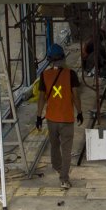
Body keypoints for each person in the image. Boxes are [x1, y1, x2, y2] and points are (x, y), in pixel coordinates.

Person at [36, 44, 83, 188]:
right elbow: (75, 96)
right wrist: (79, 112)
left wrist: (38, 116)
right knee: (66, 149)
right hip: (67, 118)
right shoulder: (71, 74)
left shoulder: (44, 75)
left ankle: (57, 166)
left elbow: (42, 98)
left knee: (54, 145)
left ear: (49, 60)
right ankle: (64, 179)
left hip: (51, 119)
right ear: (63, 57)